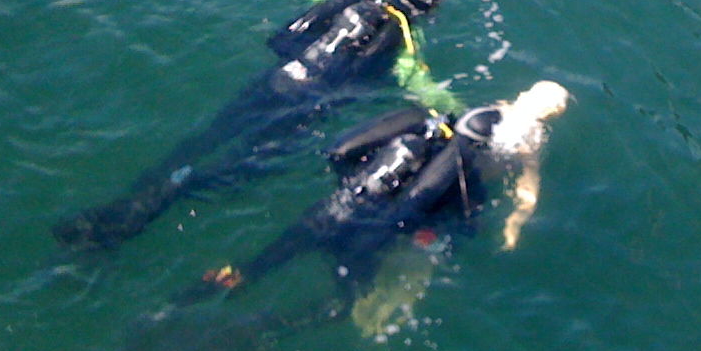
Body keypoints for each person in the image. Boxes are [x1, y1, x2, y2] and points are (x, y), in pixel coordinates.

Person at [54, 0, 459, 249]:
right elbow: (420, 86)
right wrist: (464, 114)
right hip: (303, 108)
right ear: (428, 10)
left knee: (202, 140)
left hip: (276, 81)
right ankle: (157, 205)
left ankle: (120, 205)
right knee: (240, 167)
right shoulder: (406, 42)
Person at [187, 80, 570, 301]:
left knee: (278, 252)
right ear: (551, 116)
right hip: (392, 220)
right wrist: (516, 224)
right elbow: (527, 188)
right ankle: (338, 305)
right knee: (352, 288)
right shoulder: (529, 143)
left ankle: (237, 274)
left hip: (342, 202)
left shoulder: (485, 113)